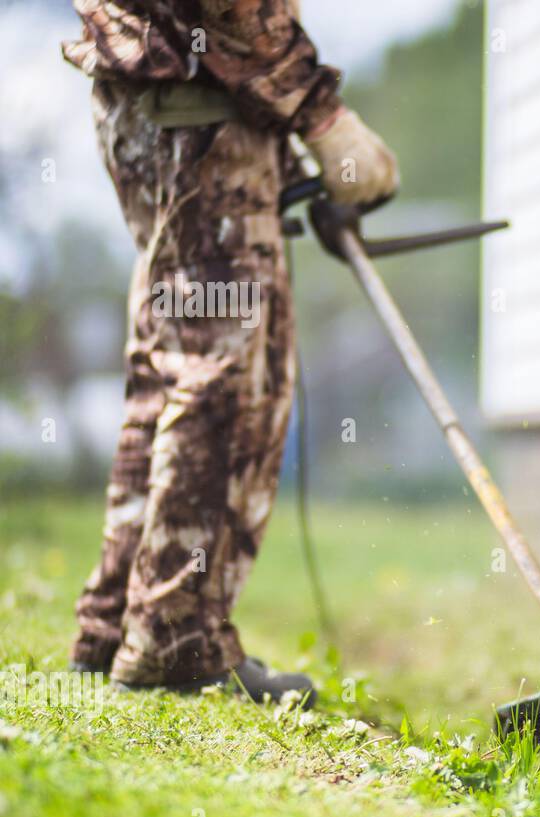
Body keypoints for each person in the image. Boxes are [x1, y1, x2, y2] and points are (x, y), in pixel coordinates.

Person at [61, 0, 398, 704]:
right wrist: (322, 115)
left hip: (162, 101)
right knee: (219, 375)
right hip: (197, 114)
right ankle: (175, 641)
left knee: (171, 365)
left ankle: (119, 622)